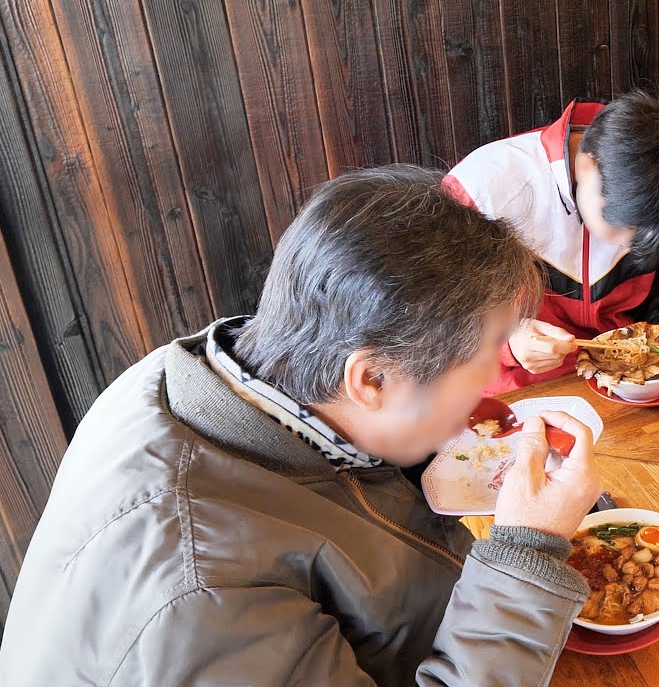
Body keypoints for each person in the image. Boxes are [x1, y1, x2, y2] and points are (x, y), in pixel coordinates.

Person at [0, 166, 603, 686]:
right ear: (372, 381)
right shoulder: (204, 599)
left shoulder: (220, 376)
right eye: (483, 362)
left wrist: (426, 439)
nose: (490, 381)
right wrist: (527, 551)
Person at [444, 90, 659, 394]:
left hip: (624, 382)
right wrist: (509, 343)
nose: (629, 249)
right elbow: (433, 331)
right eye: (624, 230)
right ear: (588, 167)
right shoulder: (484, 192)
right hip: (515, 394)